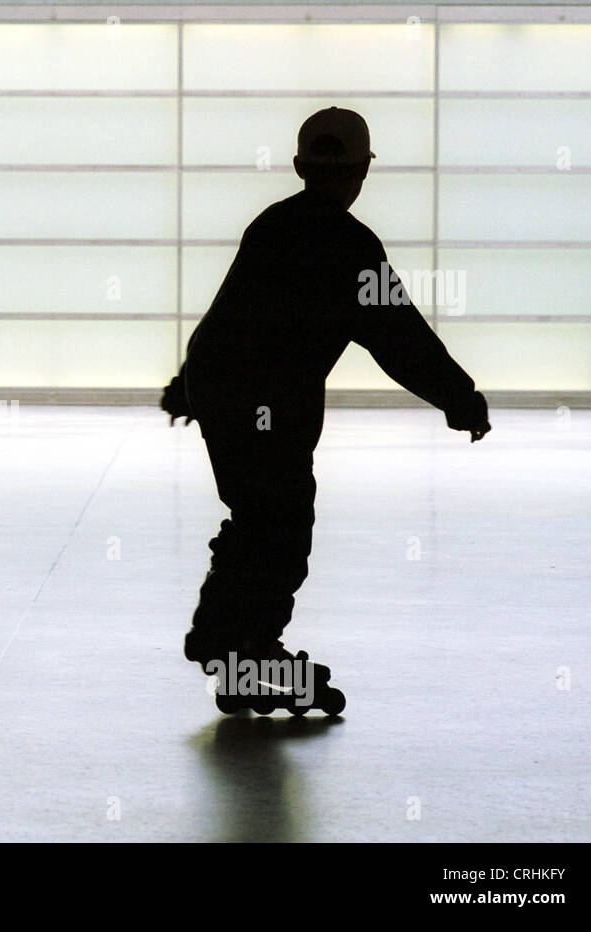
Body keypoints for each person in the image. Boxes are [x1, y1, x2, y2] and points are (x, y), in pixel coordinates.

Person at [161, 107, 490, 711]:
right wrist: (458, 396)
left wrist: (188, 384)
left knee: (257, 514)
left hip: (222, 391)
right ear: (364, 169)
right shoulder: (351, 246)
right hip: (272, 407)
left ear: (298, 166)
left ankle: (223, 636)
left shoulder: (271, 225)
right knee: (282, 523)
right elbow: (399, 336)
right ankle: (246, 647)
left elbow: (228, 314)